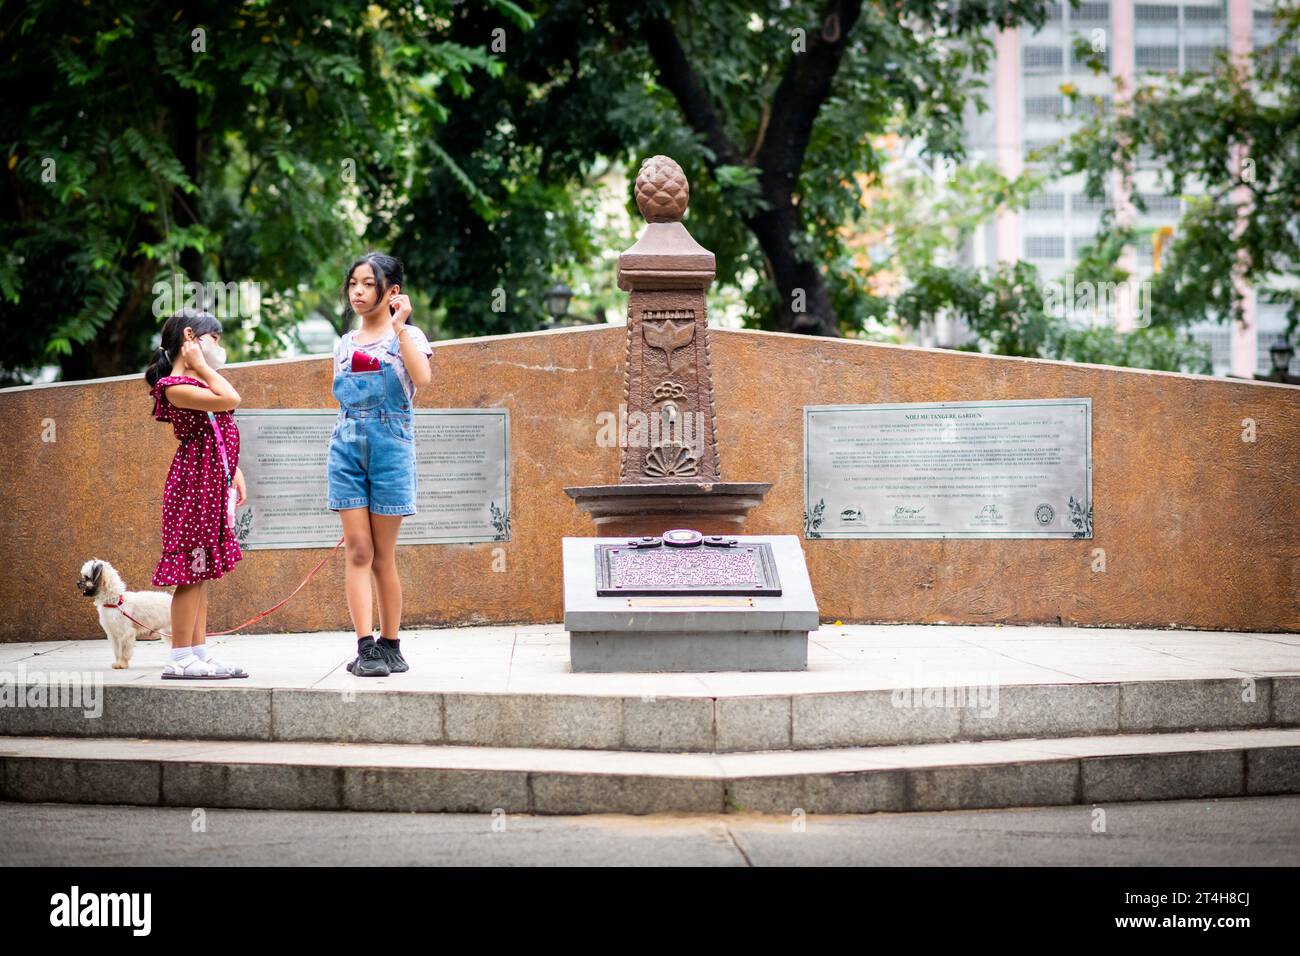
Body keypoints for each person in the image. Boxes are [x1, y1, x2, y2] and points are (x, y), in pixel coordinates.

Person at [328, 253, 433, 677]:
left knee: (382, 556)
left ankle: (392, 645)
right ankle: (365, 647)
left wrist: (400, 326)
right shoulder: (343, 343)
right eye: (353, 283)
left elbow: (421, 379)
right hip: (347, 448)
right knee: (358, 550)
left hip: (391, 450)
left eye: (368, 284)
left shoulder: (408, 336)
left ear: (391, 291)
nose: (357, 291)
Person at [145, 308, 249, 679]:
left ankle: (198, 651)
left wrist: (232, 471)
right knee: (189, 571)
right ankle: (179, 657)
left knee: (200, 570)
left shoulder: (198, 384)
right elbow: (230, 400)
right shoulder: (176, 386)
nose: (218, 347)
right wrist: (202, 366)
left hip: (209, 481)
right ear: (190, 338)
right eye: (213, 338)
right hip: (193, 487)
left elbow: (215, 430)